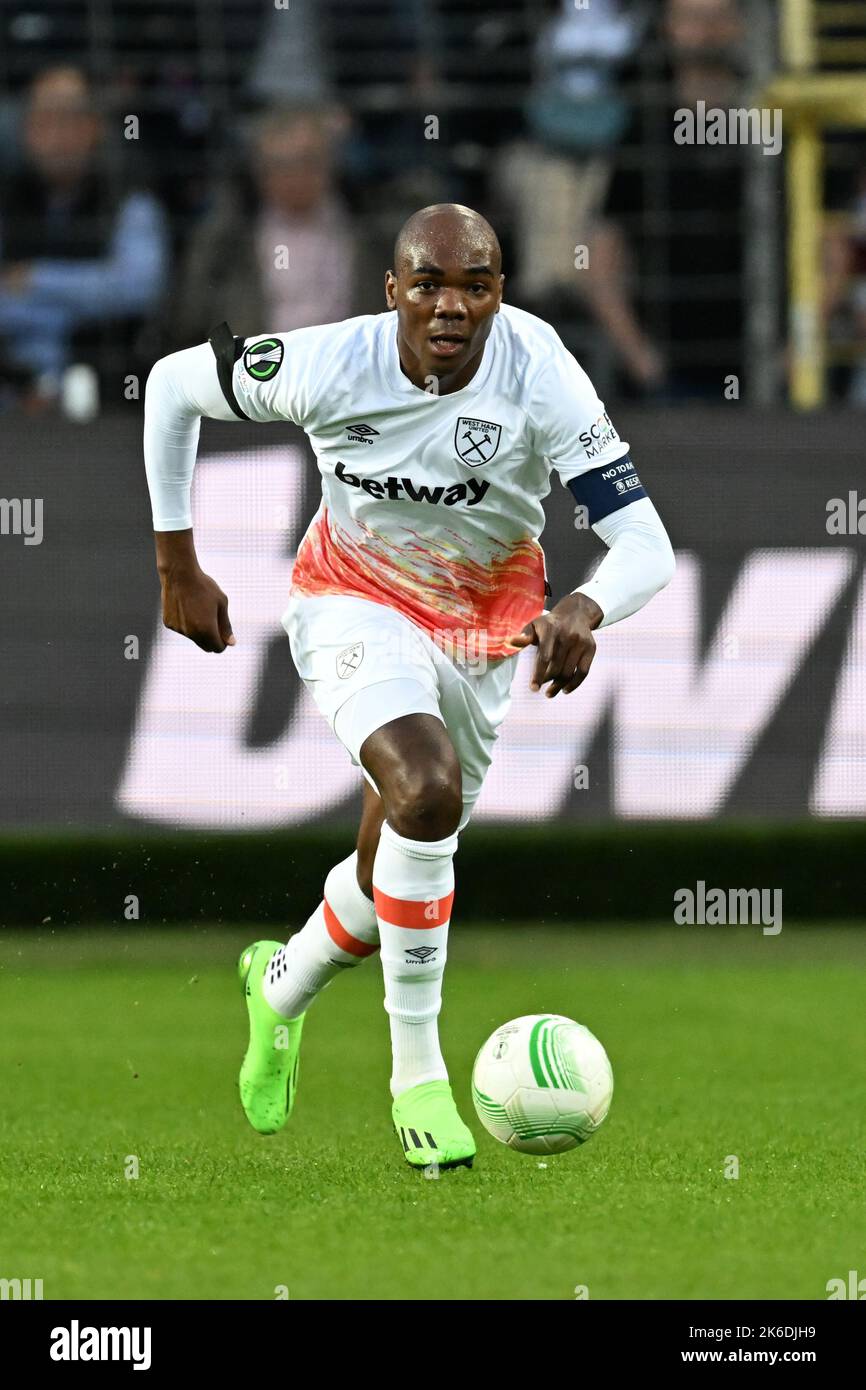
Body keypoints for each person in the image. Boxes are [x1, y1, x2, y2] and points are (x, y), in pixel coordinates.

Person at [143, 203, 675, 1171]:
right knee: (424, 791)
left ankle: (278, 988)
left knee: (386, 866)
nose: (449, 305)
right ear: (392, 290)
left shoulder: (541, 371)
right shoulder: (326, 363)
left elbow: (644, 541)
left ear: (499, 294)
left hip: (483, 629)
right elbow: (175, 387)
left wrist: (584, 608)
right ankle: (417, 1077)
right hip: (350, 599)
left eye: (475, 285)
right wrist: (177, 563)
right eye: (427, 283)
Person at [0, 66, 168, 403]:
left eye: (69, 119)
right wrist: (79, 301)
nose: (56, 136)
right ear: (27, 132)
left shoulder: (129, 195)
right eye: (44, 121)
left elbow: (139, 287)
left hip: (110, 388)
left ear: (94, 127)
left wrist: (36, 280)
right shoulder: (8, 199)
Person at [170, 104, 356, 347]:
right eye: (281, 165)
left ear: (329, 163)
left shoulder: (369, 228)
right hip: (261, 364)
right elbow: (191, 317)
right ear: (260, 172)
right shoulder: (227, 238)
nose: (295, 176)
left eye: (307, 161)